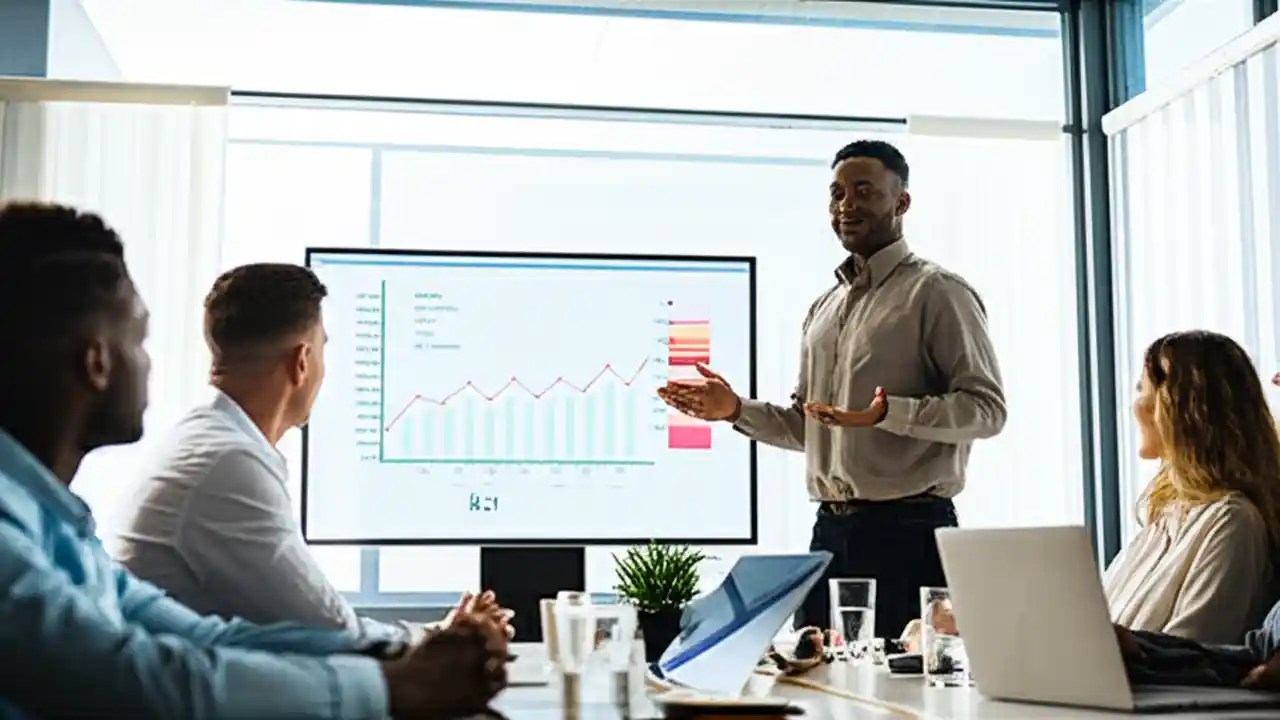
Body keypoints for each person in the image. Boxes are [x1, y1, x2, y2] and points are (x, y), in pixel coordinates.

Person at [0, 202, 507, 719]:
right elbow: (142, 678)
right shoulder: (220, 464)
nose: (150, 362)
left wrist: (414, 656)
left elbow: (208, 637)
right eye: (141, 339)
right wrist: (400, 683)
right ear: (97, 362)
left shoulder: (59, 528)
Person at [658, 139, 1006, 639]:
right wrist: (735, 409)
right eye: (837, 193)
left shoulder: (937, 293)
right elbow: (812, 427)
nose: (847, 205)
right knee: (818, 684)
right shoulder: (824, 309)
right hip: (831, 534)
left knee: (904, 698)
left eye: (864, 191)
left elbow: (986, 409)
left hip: (910, 533)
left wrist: (888, 414)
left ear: (901, 202)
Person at [114, 263, 507, 640]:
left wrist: (436, 637)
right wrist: (435, 639)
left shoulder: (210, 442)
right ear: (302, 361)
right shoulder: (227, 463)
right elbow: (327, 628)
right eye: (322, 349)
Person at [1103, 330, 1280, 644]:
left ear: (1184, 408)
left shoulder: (1232, 519)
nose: (1137, 405)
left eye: (1143, 388)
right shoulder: (1163, 518)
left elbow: (1194, 650)